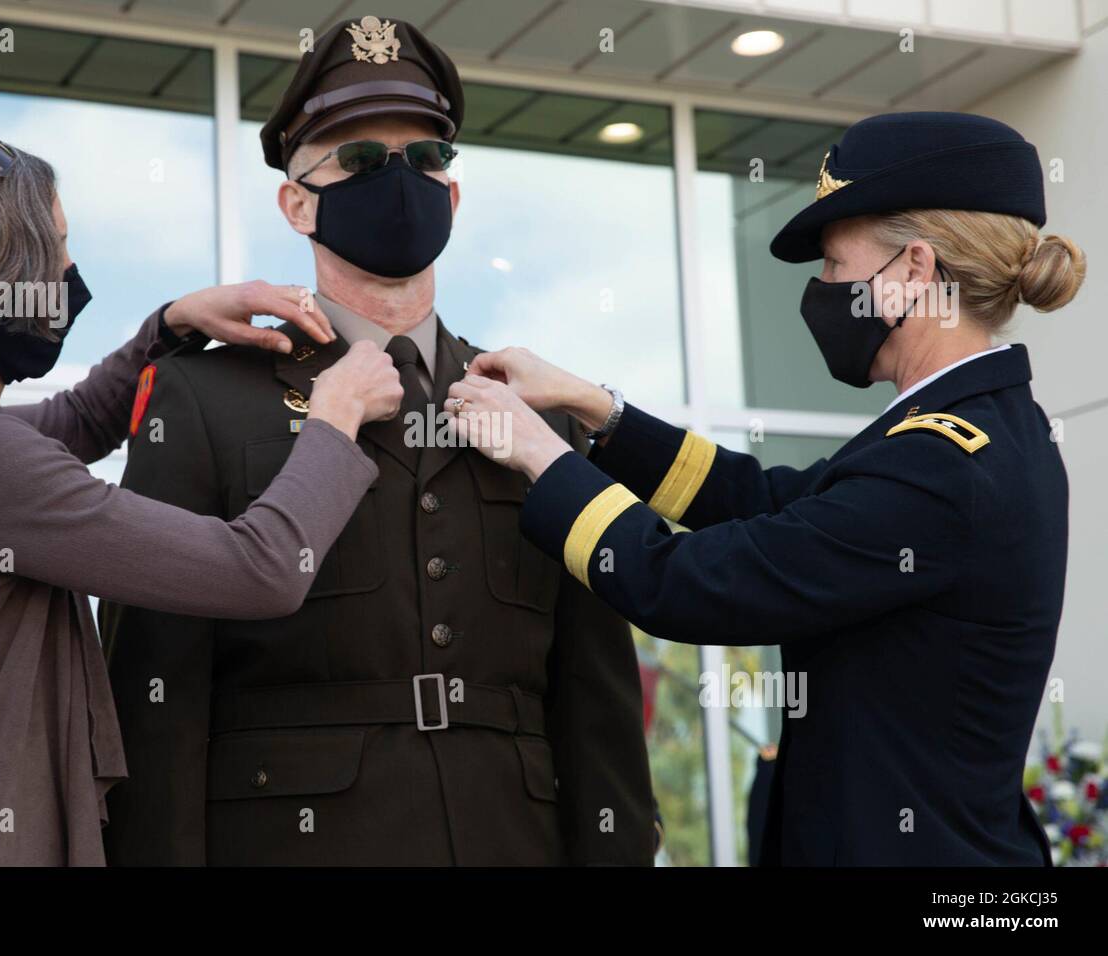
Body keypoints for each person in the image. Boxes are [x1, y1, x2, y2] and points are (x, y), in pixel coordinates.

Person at [445, 112, 1085, 866]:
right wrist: (597, 409)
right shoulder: (972, 432)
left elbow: (686, 583)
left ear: (915, 269)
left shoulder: (943, 463)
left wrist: (540, 456)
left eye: (835, 266)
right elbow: (766, 501)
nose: (822, 291)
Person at [100, 16, 655, 866]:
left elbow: (596, 696)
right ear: (296, 202)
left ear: (454, 196)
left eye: (428, 158)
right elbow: (156, 691)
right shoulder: (203, 397)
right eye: (359, 160)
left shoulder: (540, 413)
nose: (402, 179)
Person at [0, 129, 402, 866]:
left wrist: (173, 323)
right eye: (53, 252)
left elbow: (74, 423)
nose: (68, 271)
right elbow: (262, 568)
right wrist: (335, 419)